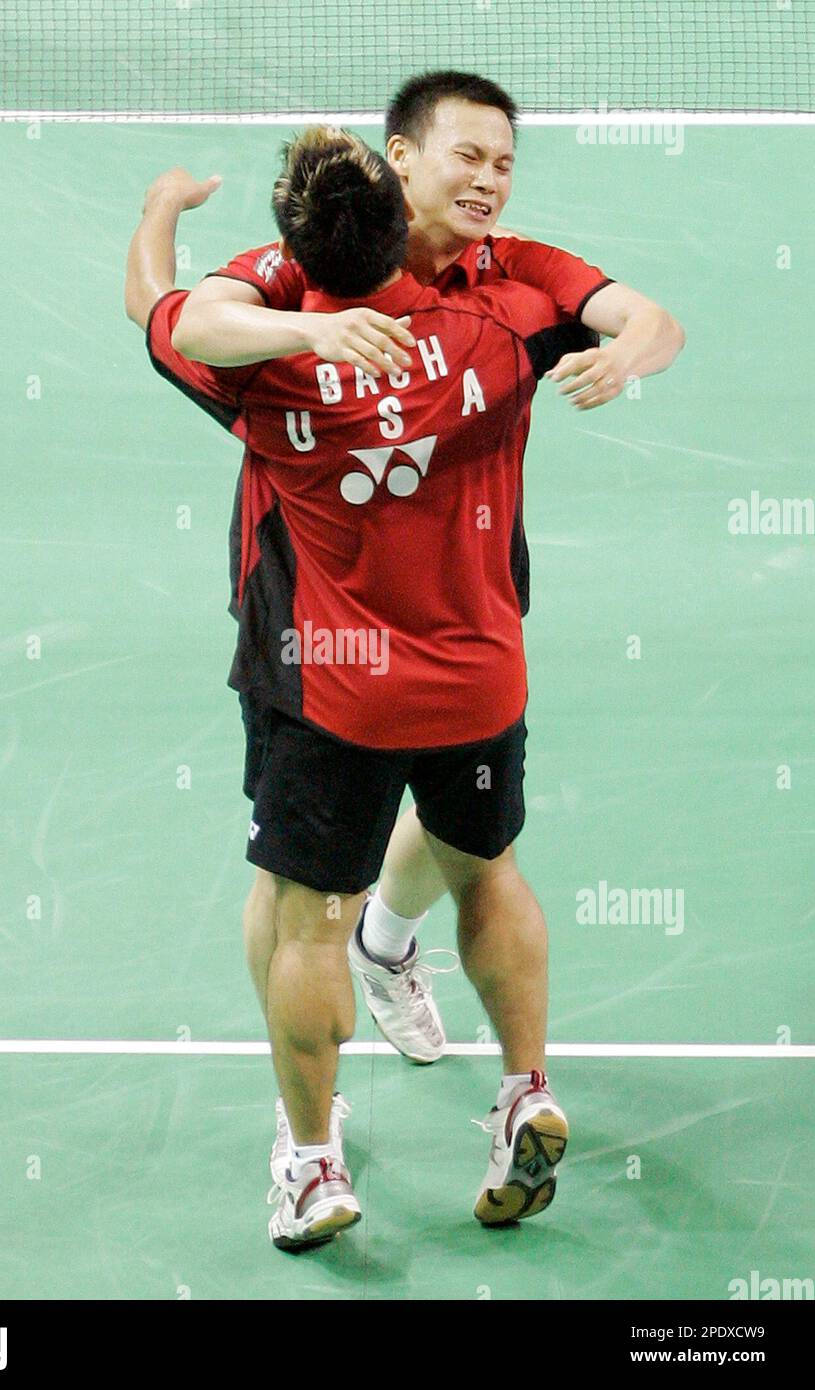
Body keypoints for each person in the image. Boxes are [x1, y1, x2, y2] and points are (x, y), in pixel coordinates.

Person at [126, 71, 684, 1139]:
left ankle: (325, 1094)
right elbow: (204, 319)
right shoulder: (479, 320)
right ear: (400, 159)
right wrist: (311, 335)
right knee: (457, 841)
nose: (487, 179)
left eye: (504, 163)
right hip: (328, 627)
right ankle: (443, 1035)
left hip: (409, 634)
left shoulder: (501, 277)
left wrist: (627, 353)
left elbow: (171, 318)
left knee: (315, 893)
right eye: (466, 157)